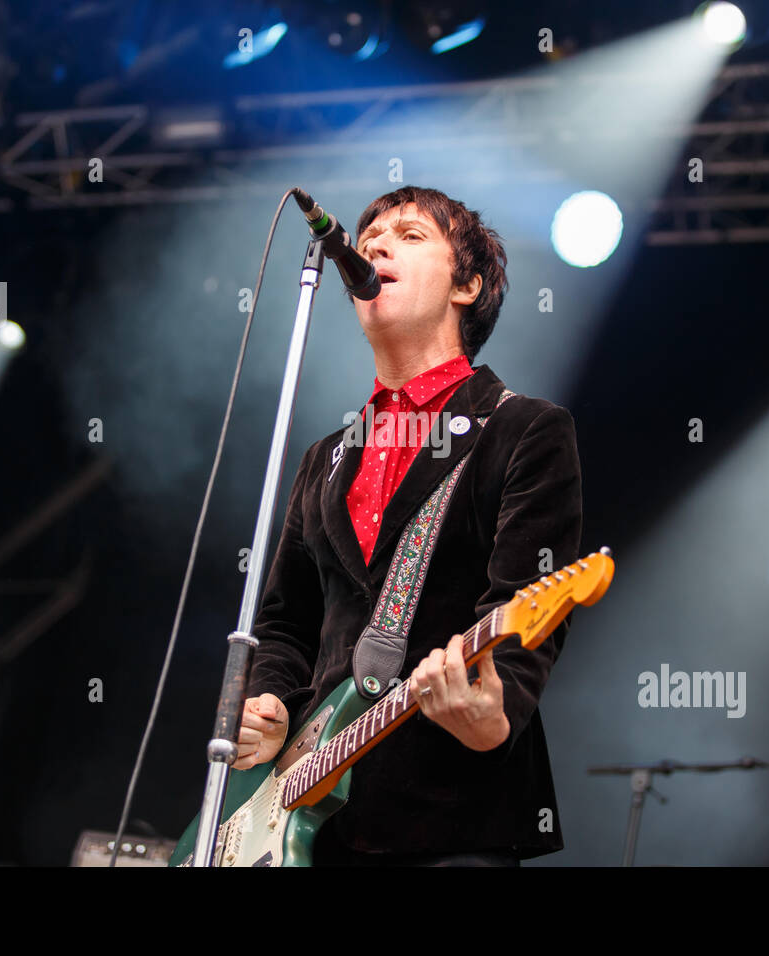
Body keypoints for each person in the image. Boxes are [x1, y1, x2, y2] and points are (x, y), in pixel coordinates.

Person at [235, 185, 583, 866]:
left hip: (449, 816)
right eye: (367, 240)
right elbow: (284, 621)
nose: (374, 245)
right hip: (310, 817)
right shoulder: (324, 458)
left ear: (467, 285)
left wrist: (495, 709)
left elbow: (523, 603)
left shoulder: (523, 430)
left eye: (410, 234)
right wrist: (268, 701)